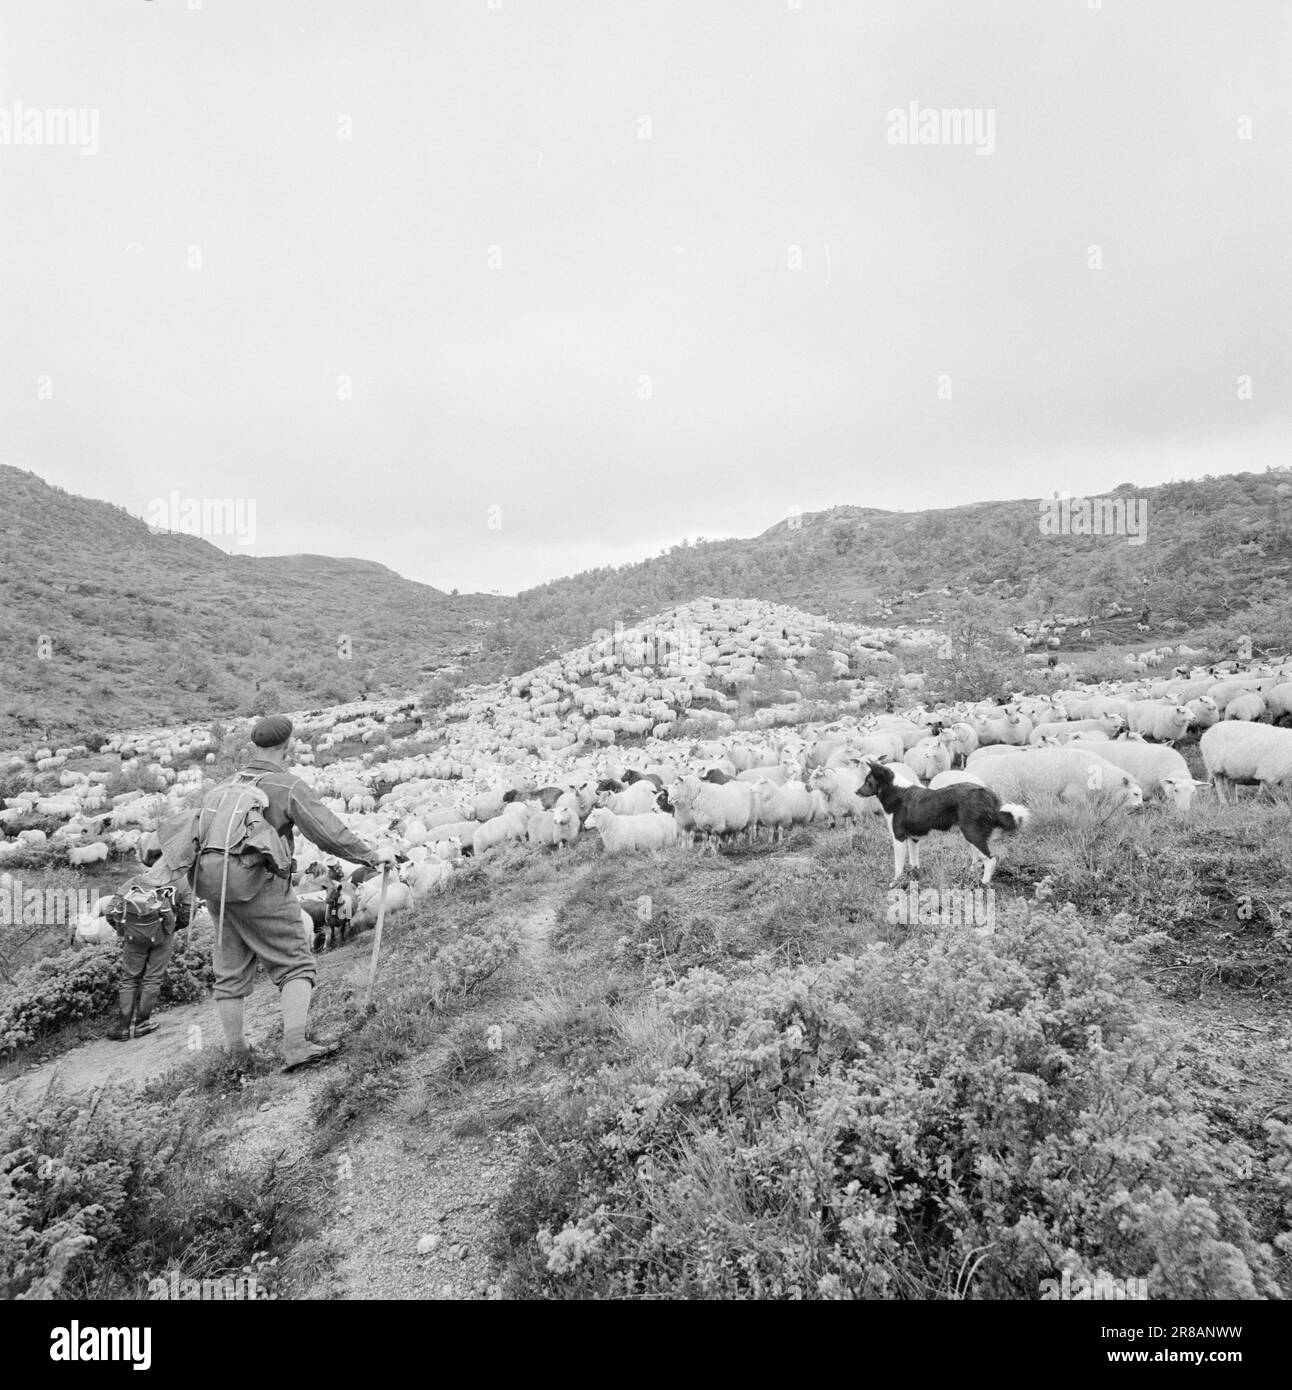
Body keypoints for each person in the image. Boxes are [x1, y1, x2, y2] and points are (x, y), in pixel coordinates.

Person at [191, 714, 395, 1072]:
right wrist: (369, 856)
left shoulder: (223, 786)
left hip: (218, 889)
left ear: (254, 745)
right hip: (262, 888)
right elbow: (326, 832)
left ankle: (237, 1057)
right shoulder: (287, 786)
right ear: (288, 745)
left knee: (230, 973)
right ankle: (296, 1045)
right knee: (295, 963)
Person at [103, 843, 191, 1040]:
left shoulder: (136, 881)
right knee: (153, 978)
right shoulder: (183, 883)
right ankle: (142, 1024)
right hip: (163, 937)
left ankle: (123, 1027)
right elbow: (187, 913)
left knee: (129, 978)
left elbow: (110, 912)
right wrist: (169, 930)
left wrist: (126, 930)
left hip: (134, 938)